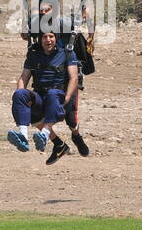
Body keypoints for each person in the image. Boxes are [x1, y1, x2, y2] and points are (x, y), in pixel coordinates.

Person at [8, 28, 90, 165]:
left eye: (51, 36)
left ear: (56, 38)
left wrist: (67, 99)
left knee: (72, 122)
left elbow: (74, 78)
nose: (48, 40)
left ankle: (75, 137)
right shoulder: (34, 54)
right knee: (20, 94)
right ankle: (23, 135)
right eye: (45, 37)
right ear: (40, 39)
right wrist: (22, 98)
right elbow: (24, 78)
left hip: (60, 96)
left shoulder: (66, 53)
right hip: (41, 96)